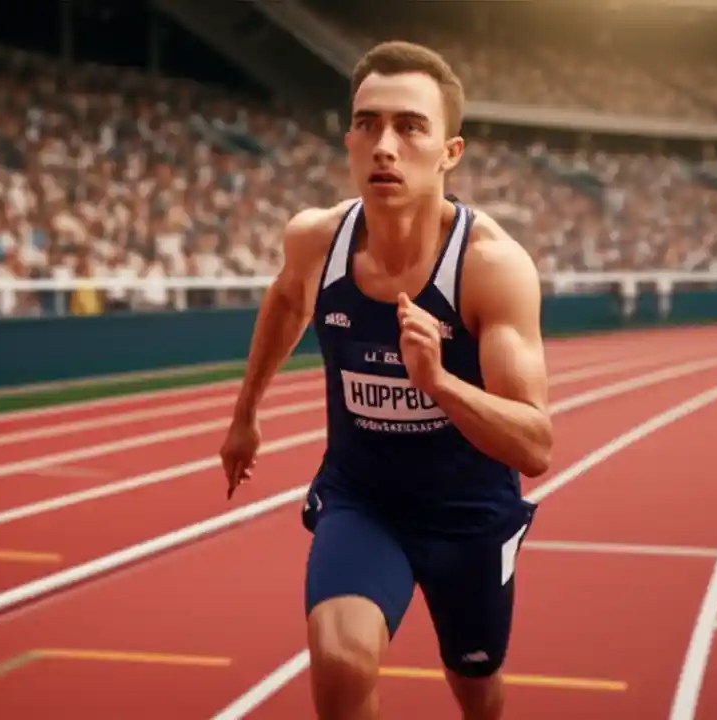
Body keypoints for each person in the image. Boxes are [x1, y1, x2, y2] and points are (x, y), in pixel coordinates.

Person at [219, 40, 553, 720]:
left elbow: (535, 446)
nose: (384, 145)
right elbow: (287, 302)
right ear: (347, 139)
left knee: (477, 690)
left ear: (449, 153)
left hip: (469, 517)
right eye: (367, 124)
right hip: (363, 501)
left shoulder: (491, 267)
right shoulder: (316, 241)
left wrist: (438, 383)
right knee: (340, 661)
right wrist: (245, 413)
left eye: (409, 126)